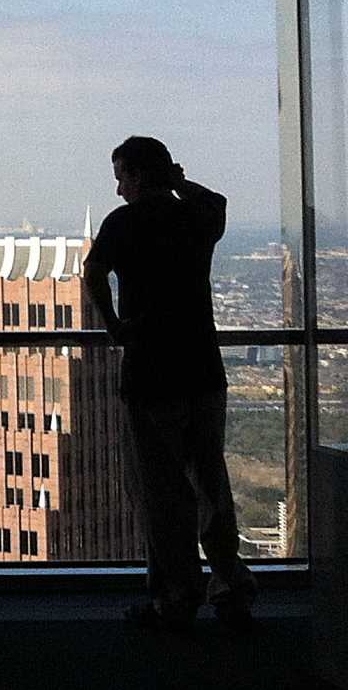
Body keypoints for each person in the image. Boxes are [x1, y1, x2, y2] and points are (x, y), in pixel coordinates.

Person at [83, 136, 257, 629]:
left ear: (137, 175)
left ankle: (177, 596)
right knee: (210, 482)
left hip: (151, 371)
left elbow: (93, 273)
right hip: (203, 368)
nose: (118, 189)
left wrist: (115, 325)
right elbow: (216, 204)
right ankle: (231, 587)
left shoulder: (123, 223)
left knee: (161, 491)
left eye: (121, 177)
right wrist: (179, 183)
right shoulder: (194, 218)